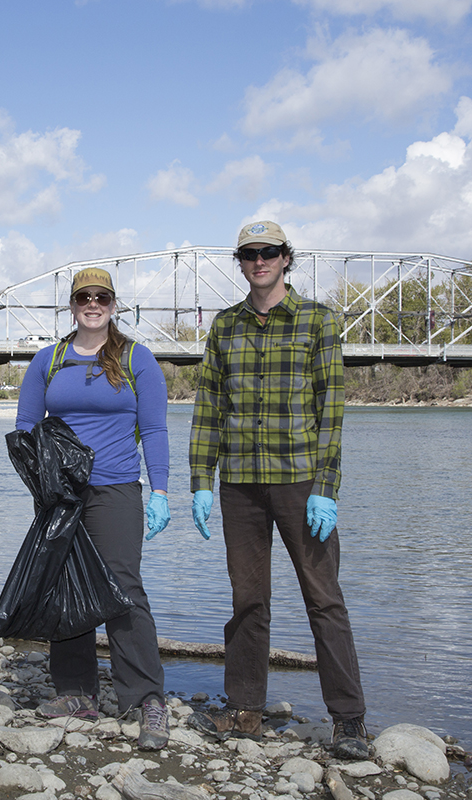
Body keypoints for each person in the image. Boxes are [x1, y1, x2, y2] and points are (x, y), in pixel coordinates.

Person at [188, 220, 369, 759]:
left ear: (286, 258)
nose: (259, 261)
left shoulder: (319, 320)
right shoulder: (224, 326)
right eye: (249, 254)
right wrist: (202, 481)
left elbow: (330, 412)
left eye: (269, 253)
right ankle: (245, 709)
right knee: (248, 599)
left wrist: (326, 486)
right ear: (240, 262)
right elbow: (208, 412)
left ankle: (349, 719)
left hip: (300, 483)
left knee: (324, 598)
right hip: (240, 484)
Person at [14, 267, 172, 751]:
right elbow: (24, 428)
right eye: (84, 296)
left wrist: (161, 490)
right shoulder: (49, 359)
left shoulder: (135, 358)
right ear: (72, 303)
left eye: (102, 296)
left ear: (113, 304)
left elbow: (155, 430)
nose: (93, 303)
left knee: (123, 588)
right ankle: (76, 692)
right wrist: (41, 484)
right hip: (62, 495)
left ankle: (145, 697)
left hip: (116, 490)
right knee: (66, 588)